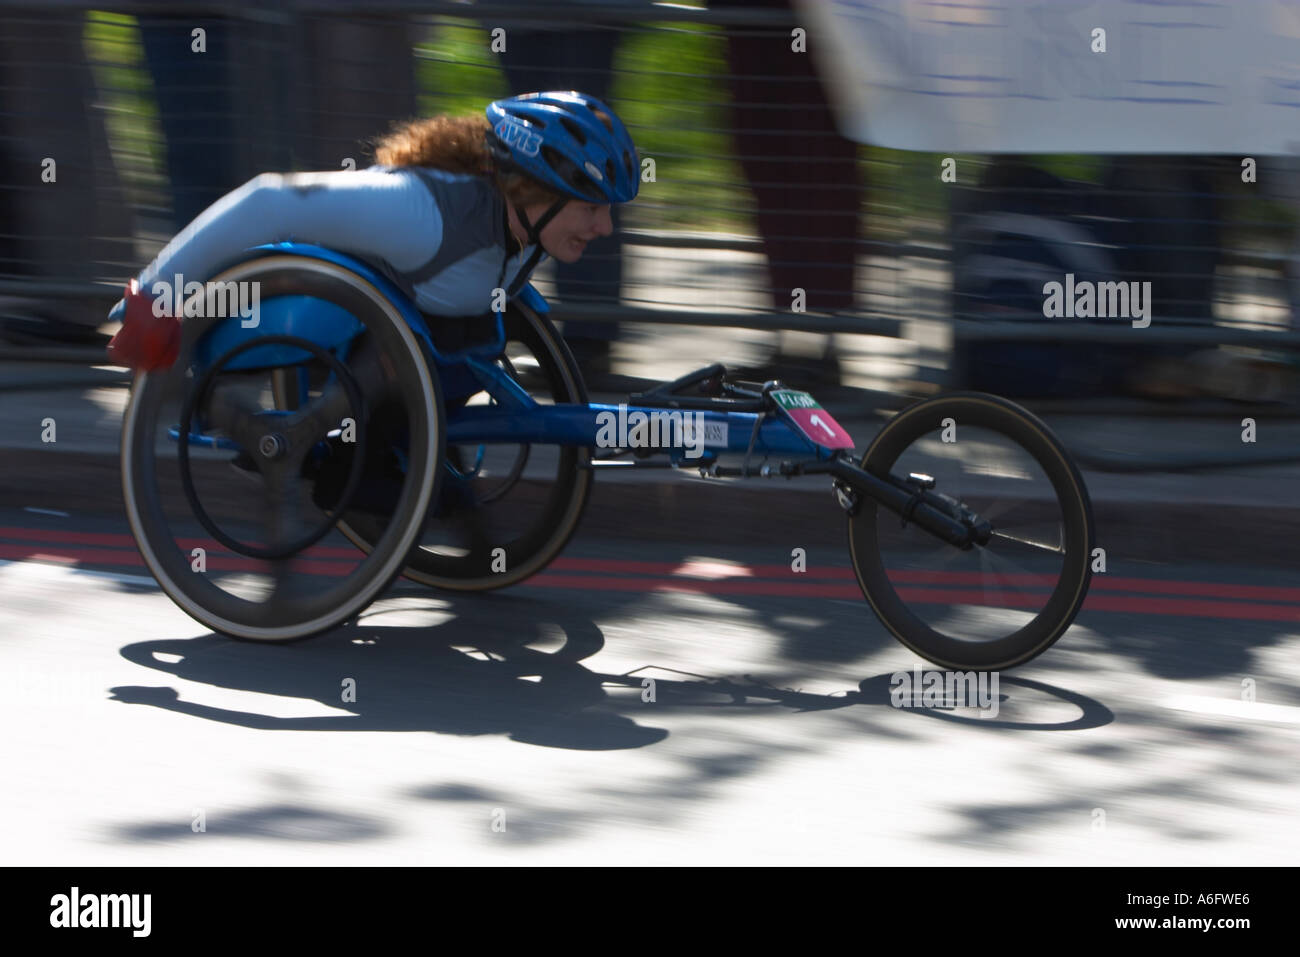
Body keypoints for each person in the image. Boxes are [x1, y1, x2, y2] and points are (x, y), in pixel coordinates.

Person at [108, 92, 639, 347]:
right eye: (591, 208)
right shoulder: (423, 214)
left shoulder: (523, 229)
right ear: (530, 191)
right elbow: (268, 200)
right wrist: (155, 296)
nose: (605, 229)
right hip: (282, 329)